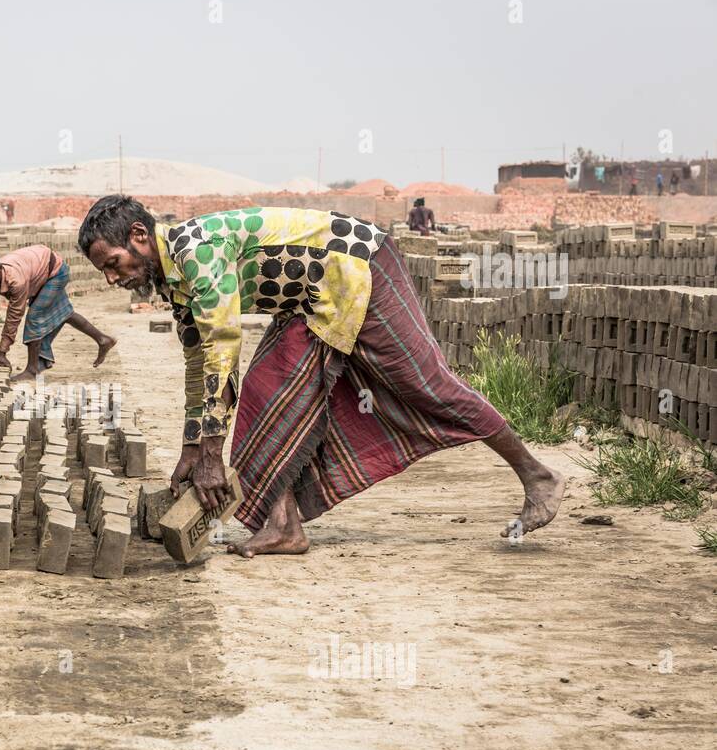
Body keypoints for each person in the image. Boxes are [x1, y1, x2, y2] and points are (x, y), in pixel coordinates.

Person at [77, 195, 565, 557]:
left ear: (139, 235)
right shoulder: (172, 280)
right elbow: (197, 363)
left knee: (424, 383)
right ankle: (285, 526)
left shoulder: (197, 252)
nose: (112, 279)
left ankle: (537, 476)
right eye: (104, 272)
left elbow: (223, 349)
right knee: (266, 394)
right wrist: (191, 449)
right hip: (306, 301)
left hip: (356, 265)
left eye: (114, 265)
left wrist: (210, 456)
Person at [0, 245, 117, 382]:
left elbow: (13, 317)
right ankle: (103, 339)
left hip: (55, 272)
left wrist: (2, 353)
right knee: (65, 314)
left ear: (0, 268)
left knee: (34, 317)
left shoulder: (16, 281)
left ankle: (32, 370)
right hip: (38, 269)